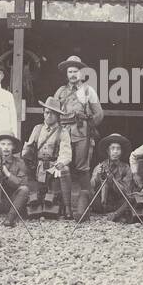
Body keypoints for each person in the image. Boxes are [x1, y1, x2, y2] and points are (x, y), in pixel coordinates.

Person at [53, 54, 103, 204]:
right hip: (64, 134)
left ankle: (89, 203)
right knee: (62, 165)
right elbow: (52, 112)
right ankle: (60, 203)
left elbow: (99, 114)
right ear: (66, 74)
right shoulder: (60, 91)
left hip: (82, 133)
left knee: (82, 167)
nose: (73, 75)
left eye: (75, 71)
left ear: (81, 73)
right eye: (70, 72)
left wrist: (88, 126)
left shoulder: (88, 91)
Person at [22, 96, 74, 215]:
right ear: (43, 113)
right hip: (38, 166)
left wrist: (59, 164)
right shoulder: (37, 129)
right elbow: (28, 149)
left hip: (54, 166)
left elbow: (66, 153)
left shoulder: (63, 131)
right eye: (47, 112)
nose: (49, 115)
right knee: (22, 168)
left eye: (53, 113)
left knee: (65, 169)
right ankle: (29, 202)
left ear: (58, 116)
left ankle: (67, 207)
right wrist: (27, 160)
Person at [88, 132, 138, 222]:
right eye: (113, 148)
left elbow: (126, 190)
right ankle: (81, 215)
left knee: (132, 198)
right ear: (108, 151)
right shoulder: (100, 166)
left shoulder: (126, 168)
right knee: (84, 193)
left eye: (118, 149)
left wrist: (113, 181)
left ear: (121, 151)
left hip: (117, 203)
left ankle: (115, 215)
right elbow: (92, 186)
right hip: (101, 203)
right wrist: (98, 176)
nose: (115, 151)